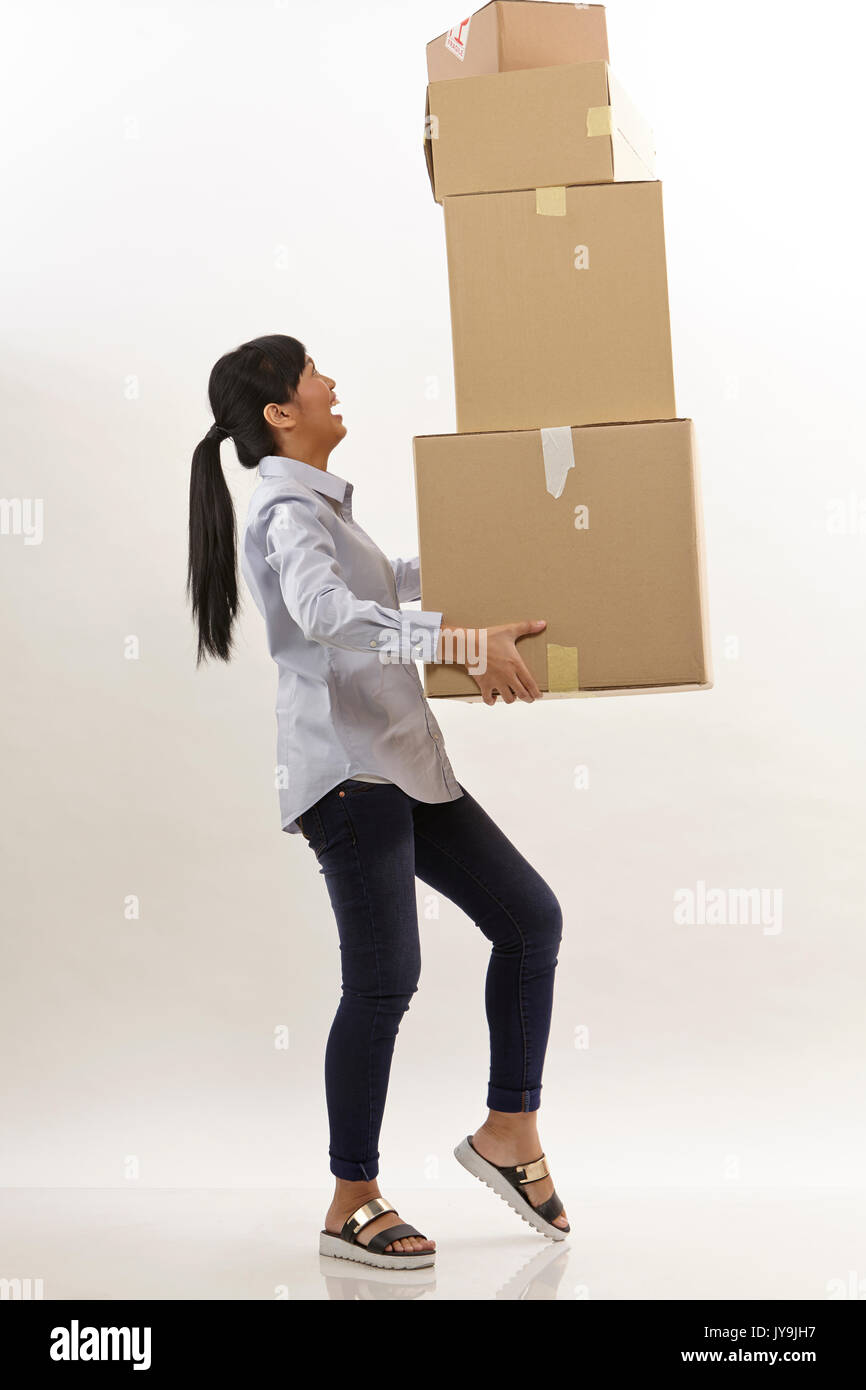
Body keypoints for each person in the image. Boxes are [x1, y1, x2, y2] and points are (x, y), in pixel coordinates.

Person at [187, 334, 568, 1271]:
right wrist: (463, 642)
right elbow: (322, 615)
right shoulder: (284, 509)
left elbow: (385, 589)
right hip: (349, 778)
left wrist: (483, 568)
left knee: (529, 919)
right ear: (280, 412)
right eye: (312, 374)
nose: (329, 383)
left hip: (400, 764)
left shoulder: (326, 511)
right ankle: (351, 1198)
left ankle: (508, 1131)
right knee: (386, 979)